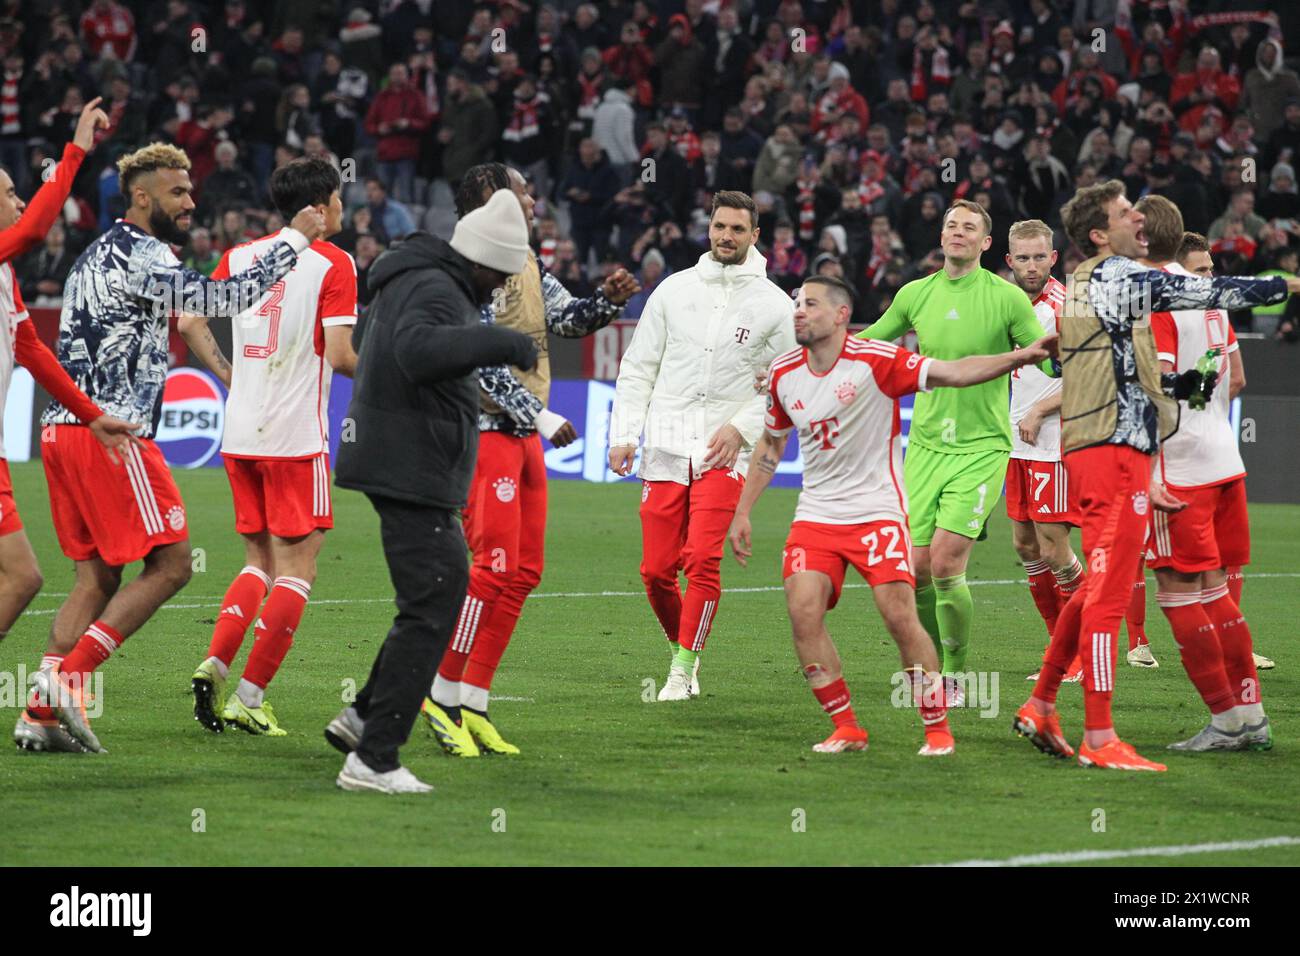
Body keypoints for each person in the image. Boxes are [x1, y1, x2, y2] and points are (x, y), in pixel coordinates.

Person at [29, 142, 327, 754]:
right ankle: (69, 681)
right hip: (114, 436)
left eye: (191, 190)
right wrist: (295, 240)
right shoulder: (142, 254)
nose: (191, 202)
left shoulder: (93, 253)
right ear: (141, 198)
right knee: (171, 565)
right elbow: (221, 300)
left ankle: (37, 713)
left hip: (62, 431)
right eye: (177, 192)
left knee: (94, 580)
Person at [1013, 180, 1296, 772]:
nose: (1135, 218)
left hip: (1118, 449)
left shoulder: (1090, 281)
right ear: (1100, 230)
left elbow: (1082, 354)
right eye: (1123, 213)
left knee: (1096, 587)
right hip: (1114, 450)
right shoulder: (1119, 276)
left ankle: (1041, 702)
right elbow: (1213, 290)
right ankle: (1099, 736)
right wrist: (1287, 283)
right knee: (1111, 598)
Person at [729, 276, 1057, 755]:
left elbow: (955, 372)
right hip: (817, 514)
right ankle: (846, 727)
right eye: (797, 303)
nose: (798, 311)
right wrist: (743, 511)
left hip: (876, 512)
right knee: (803, 612)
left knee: (898, 616)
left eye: (811, 304)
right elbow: (772, 443)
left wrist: (1021, 357)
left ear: (841, 315)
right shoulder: (782, 372)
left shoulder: (877, 361)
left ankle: (937, 729)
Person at [422, 163, 638, 757]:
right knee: (490, 569)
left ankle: (473, 701)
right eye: (524, 190)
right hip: (485, 431)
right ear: (493, 199)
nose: (535, 198)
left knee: (522, 573)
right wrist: (539, 415)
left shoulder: (523, 259)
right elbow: (480, 357)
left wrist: (603, 301)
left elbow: (564, 320)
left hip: (521, 438)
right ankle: (439, 694)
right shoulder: (468, 267)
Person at [328, 188, 537, 794]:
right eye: (498, 275)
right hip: (407, 465)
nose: (498, 288)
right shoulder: (438, 289)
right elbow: (416, 352)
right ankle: (375, 759)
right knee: (437, 602)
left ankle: (364, 715)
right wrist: (500, 341)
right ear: (479, 261)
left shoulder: (416, 277)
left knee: (434, 596)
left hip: (401, 458)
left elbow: (387, 347)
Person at [183, 157, 358, 736]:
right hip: (296, 438)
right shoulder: (335, 262)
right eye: (336, 199)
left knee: (257, 561)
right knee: (298, 568)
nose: (341, 208)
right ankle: (251, 696)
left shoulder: (239, 257)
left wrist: (228, 374)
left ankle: (217, 662)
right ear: (317, 207)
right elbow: (339, 355)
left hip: (240, 433)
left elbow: (188, 320)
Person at [855, 200, 1056, 705]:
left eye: (969, 227)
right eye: (951, 225)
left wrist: (1071, 350)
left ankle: (956, 675)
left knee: (945, 563)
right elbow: (871, 343)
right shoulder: (915, 293)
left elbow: (1047, 361)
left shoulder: (1007, 299)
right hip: (923, 448)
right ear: (941, 235)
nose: (958, 232)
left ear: (986, 244)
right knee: (916, 570)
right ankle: (929, 667)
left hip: (982, 447)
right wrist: (818, 350)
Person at [609, 190, 795, 701]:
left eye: (737, 229)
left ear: (755, 236)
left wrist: (741, 427)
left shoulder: (775, 305)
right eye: (719, 227)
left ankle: (683, 670)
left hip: (724, 454)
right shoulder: (673, 290)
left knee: (702, 561)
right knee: (654, 571)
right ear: (708, 229)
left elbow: (784, 383)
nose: (726, 237)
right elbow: (639, 365)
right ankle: (679, 650)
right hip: (666, 445)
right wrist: (624, 432)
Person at [4, 99, 140, 753]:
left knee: (27, 579)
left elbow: (33, 354)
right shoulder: (9, 250)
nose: (16, 199)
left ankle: (37, 711)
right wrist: (76, 149)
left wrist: (96, 417)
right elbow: (33, 230)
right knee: (26, 578)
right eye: (7, 191)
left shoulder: (4, 282)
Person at [1135, 206, 1271, 752]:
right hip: (1224, 460)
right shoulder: (1210, 292)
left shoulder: (1160, 298)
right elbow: (1234, 377)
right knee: (1217, 591)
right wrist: (1207, 415)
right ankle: (1252, 715)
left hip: (1180, 470)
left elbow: (1160, 385)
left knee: (1177, 591)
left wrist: (1146, 465)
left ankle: (1225, 721)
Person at [1176, 232, 1274, 672]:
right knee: (1211, 566)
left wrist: (1195, 412)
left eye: (1211, 269)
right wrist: (1210, 413)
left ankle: (1220, 665)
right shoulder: (1211, 313)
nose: (1210, 277)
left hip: (1190, 460)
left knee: (1189, 575)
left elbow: (1235, 380)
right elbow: (1236, 381)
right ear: (1178, 272)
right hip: (1214, 456)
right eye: (1200, 271)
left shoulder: (1185, 316)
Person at [1002, 219, 1087, 682]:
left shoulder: (1067, 305)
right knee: (1024, 545)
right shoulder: (1005, 302)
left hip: (1052, 443)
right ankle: (1061, 650)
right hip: (1013, 444)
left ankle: (1083, 649)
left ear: (1053, 259)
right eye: (1023, 257)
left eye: (1040, 257)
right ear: (1009, 260)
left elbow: (1088, 376)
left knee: (1056, 548)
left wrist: (1038, 412)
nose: (1031, 266)